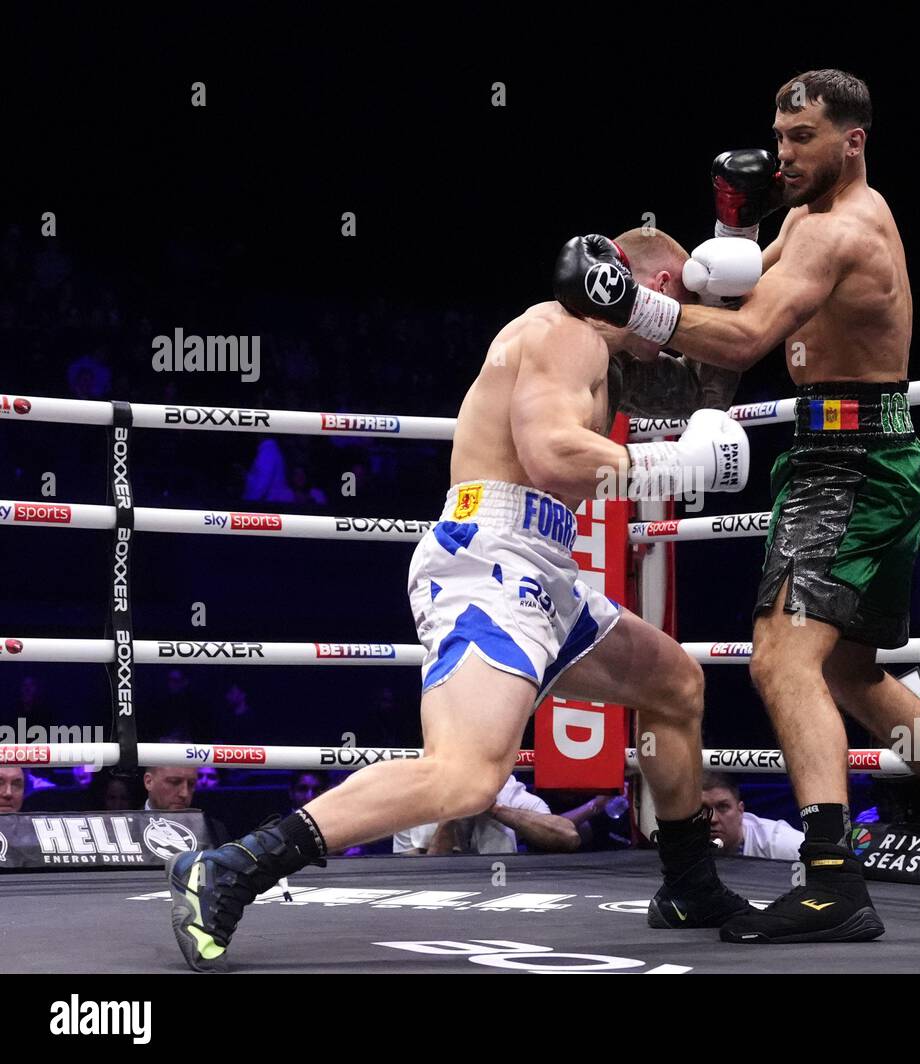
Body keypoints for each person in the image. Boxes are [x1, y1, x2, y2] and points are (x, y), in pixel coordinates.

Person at [166, 234, 755, 971]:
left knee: (674, 684)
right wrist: (673, 462)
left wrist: (738, 261)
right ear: (658, 284)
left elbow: (705, 388)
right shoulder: (561, 333)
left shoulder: (604, 358)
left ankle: (690, 885)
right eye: (679, 307)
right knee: (467, 774)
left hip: (545, 567)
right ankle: (232, 866)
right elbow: (552, 456)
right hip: (492, 559)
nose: (679, 326)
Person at [555, 69, 920, 944]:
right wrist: (733, 227)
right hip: (855, 450)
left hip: (849, 462)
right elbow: (738, 296)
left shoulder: (840, 231)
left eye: (803, 139)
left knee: (781, 661)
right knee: (851, 673)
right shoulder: (801, 222)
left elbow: (743, 337)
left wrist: (625, 301)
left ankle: (831, 882)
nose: (783, 155)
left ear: (852, 141)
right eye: (779, 138)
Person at [393, 775, 579, 854]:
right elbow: (417, 877)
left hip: (499, 886)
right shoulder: (412, 801)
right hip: (442, 894)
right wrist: (448, 820)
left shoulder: (509, 793)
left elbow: (569, 837)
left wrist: (494, 809)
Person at [701, 772, 804, 860]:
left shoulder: (782, 844)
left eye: (723, 807)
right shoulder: (685, 844)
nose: (712, 819)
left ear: (740, 811)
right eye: (702, 809)